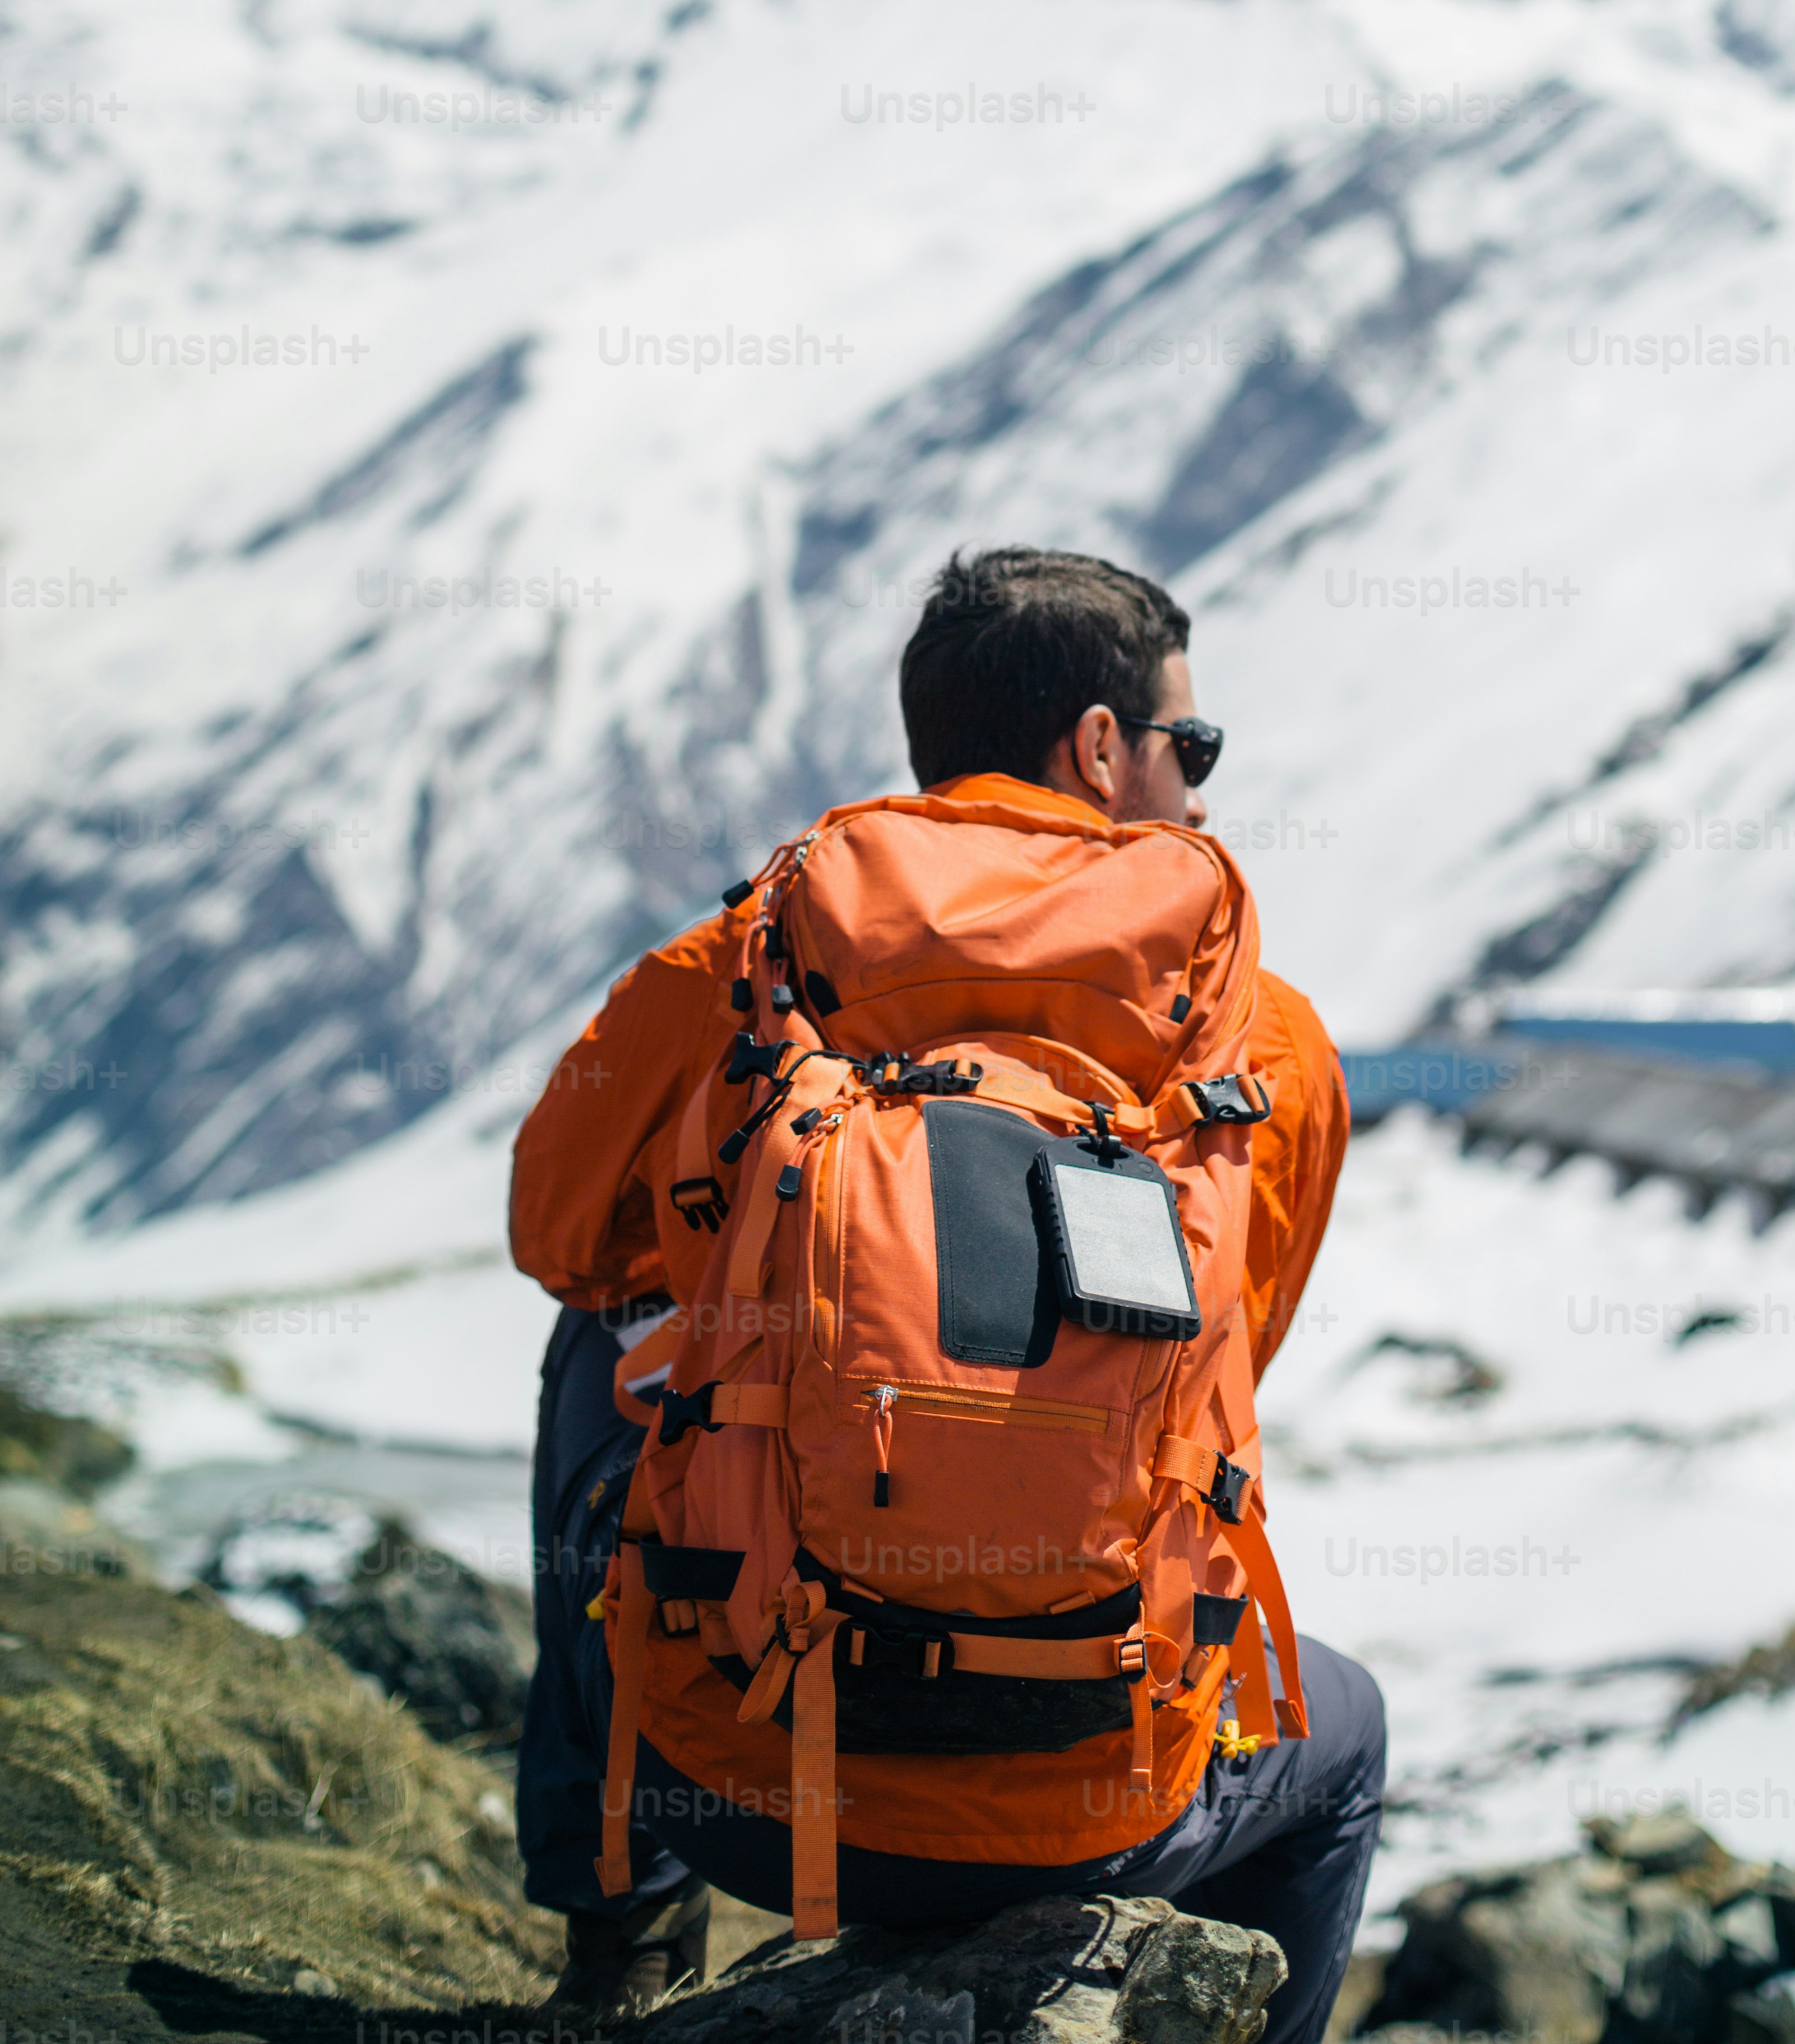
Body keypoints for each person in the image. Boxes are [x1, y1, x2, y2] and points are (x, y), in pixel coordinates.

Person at [510, 545, 1383, 2037]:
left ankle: (625, 1936)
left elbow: (561, 1236)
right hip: (1098, 1794)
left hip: (738, 1786)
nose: (1207, 789)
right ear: (1101, 747)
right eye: (1196, 746)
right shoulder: (1270, 1046)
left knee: (602, 1348)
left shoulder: (743, 965)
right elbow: (1232, 1364)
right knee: (1346, 1740)